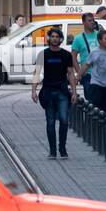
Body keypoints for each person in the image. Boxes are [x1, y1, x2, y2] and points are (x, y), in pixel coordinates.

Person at [31, 27, 78, 159]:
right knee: (50, 122)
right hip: (48, 92)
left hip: (62, 91)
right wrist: (34, 90)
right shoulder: (43, 54)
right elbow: (37, 73)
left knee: (64, 121)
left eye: (57, 37)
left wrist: (74, 92)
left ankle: (62, 148)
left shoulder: (66, 55)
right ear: (49, 38)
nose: (55, 39)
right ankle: (52, 151)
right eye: (52, 36)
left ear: (61, 39)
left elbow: (70, 74)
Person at [80, 27, 106, 115]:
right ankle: (95, 128)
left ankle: (105, 129)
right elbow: (86, 65)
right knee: (96, 109)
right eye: (105, 38)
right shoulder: (94, 52)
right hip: (96, 83)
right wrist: (79, 76)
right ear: (99, 40)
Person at [71, 12, 103, 93]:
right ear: (83, 22)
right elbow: (73, 57)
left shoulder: (99, 35)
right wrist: (79, 72)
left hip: (101, 73)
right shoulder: (78, 38)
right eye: (89, 20)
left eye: (93, 20)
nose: (92, 22)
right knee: (91, 101)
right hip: (88, 74)